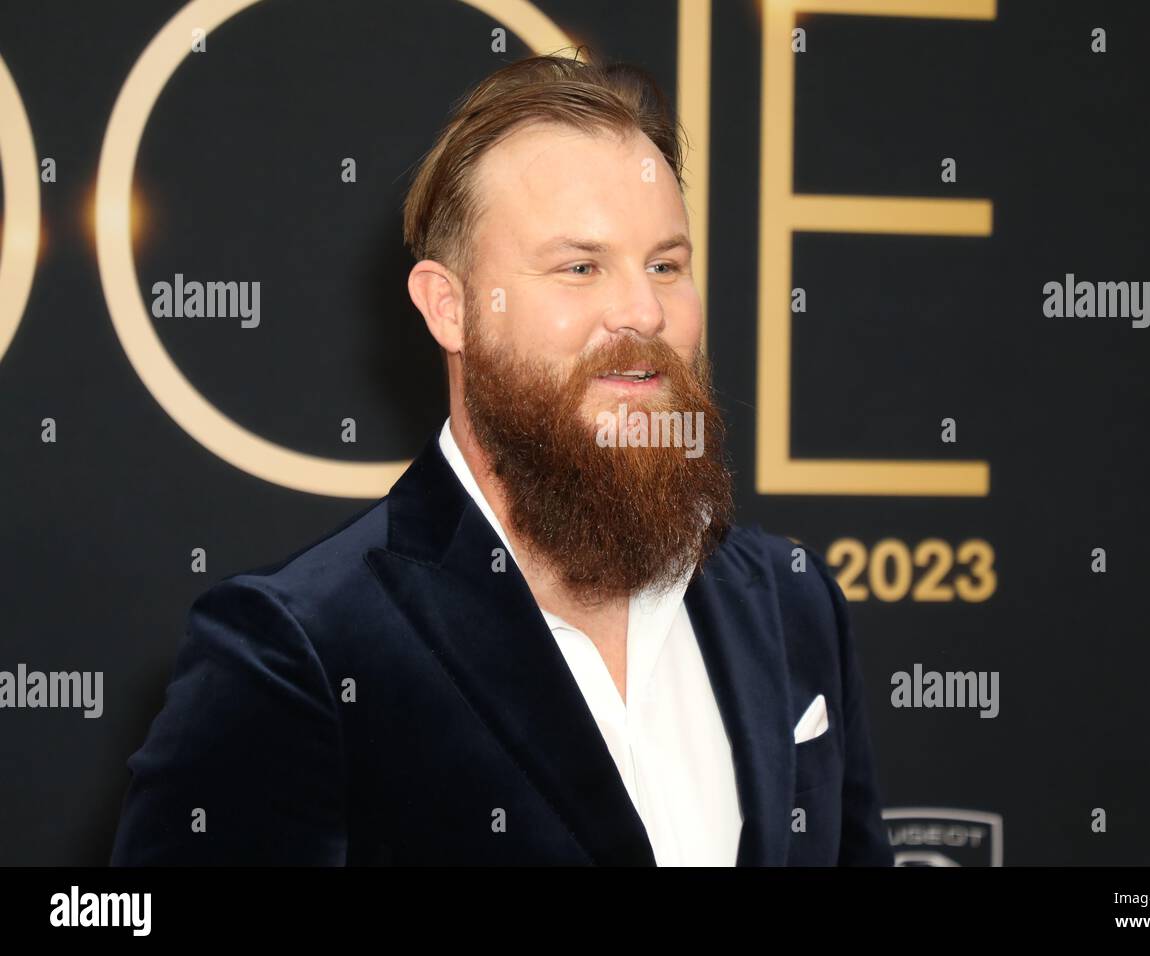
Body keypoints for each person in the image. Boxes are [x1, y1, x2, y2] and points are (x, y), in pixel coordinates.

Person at [109, 52, 893, 866]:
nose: (643, 310)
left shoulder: (792, 606)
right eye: (580, 267)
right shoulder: (296, 649)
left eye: (666, 265)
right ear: (448, 309)